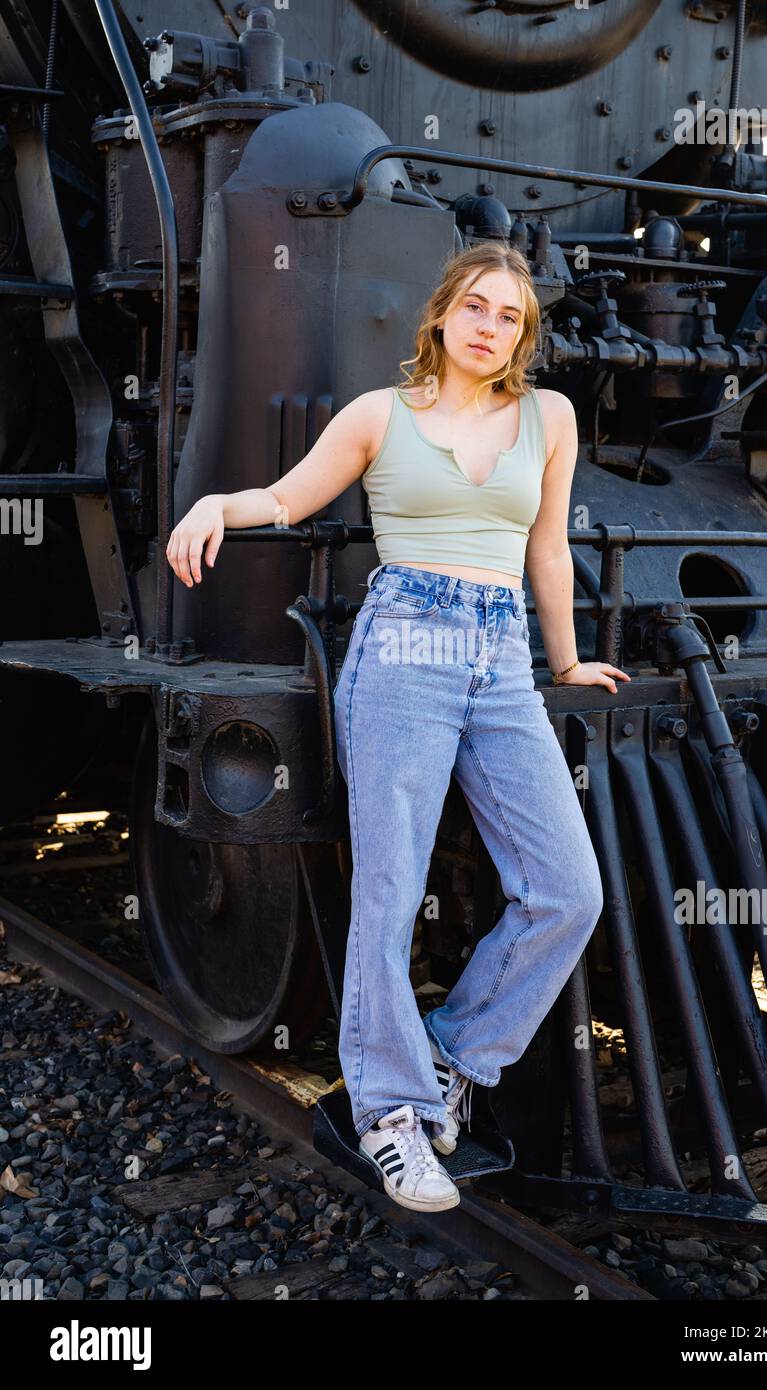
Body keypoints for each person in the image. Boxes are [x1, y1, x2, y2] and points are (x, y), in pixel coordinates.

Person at [166, 241, 630, 1214]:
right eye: (474, 307)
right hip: (403, 648)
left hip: (499, 656)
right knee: (388, 891)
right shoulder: (381, 416)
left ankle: (453, 1057)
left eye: (508, 316)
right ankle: (389, 1114)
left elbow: (545, 547)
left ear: (522, 334)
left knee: (566, 890)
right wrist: (214, 501)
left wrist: (562, 659)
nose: (489, 326)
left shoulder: (548, 418)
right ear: (440, 317)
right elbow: (288, 498)